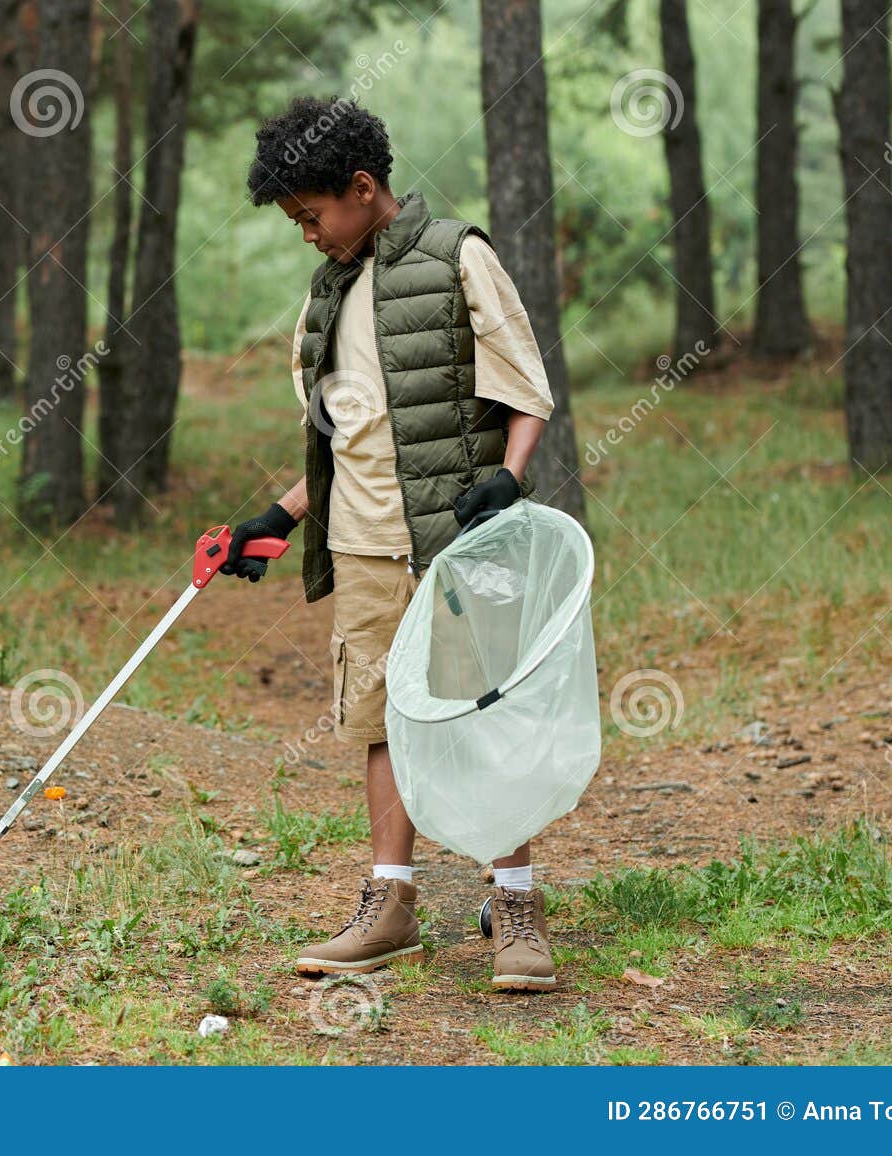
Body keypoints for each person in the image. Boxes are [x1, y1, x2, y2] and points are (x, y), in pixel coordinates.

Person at [223, 95, 558, 991]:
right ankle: (392, 902)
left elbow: (527, 390)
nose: (306, 234)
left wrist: (510, 479)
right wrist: (279, 519)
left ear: (363, 188)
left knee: (486, 716)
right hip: (364, 545)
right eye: (295, 220)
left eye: (312, 214)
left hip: (461, 542)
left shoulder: (459, 256)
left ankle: (515, 903)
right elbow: (342, 440)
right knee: (382, 721)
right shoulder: (327, 292)